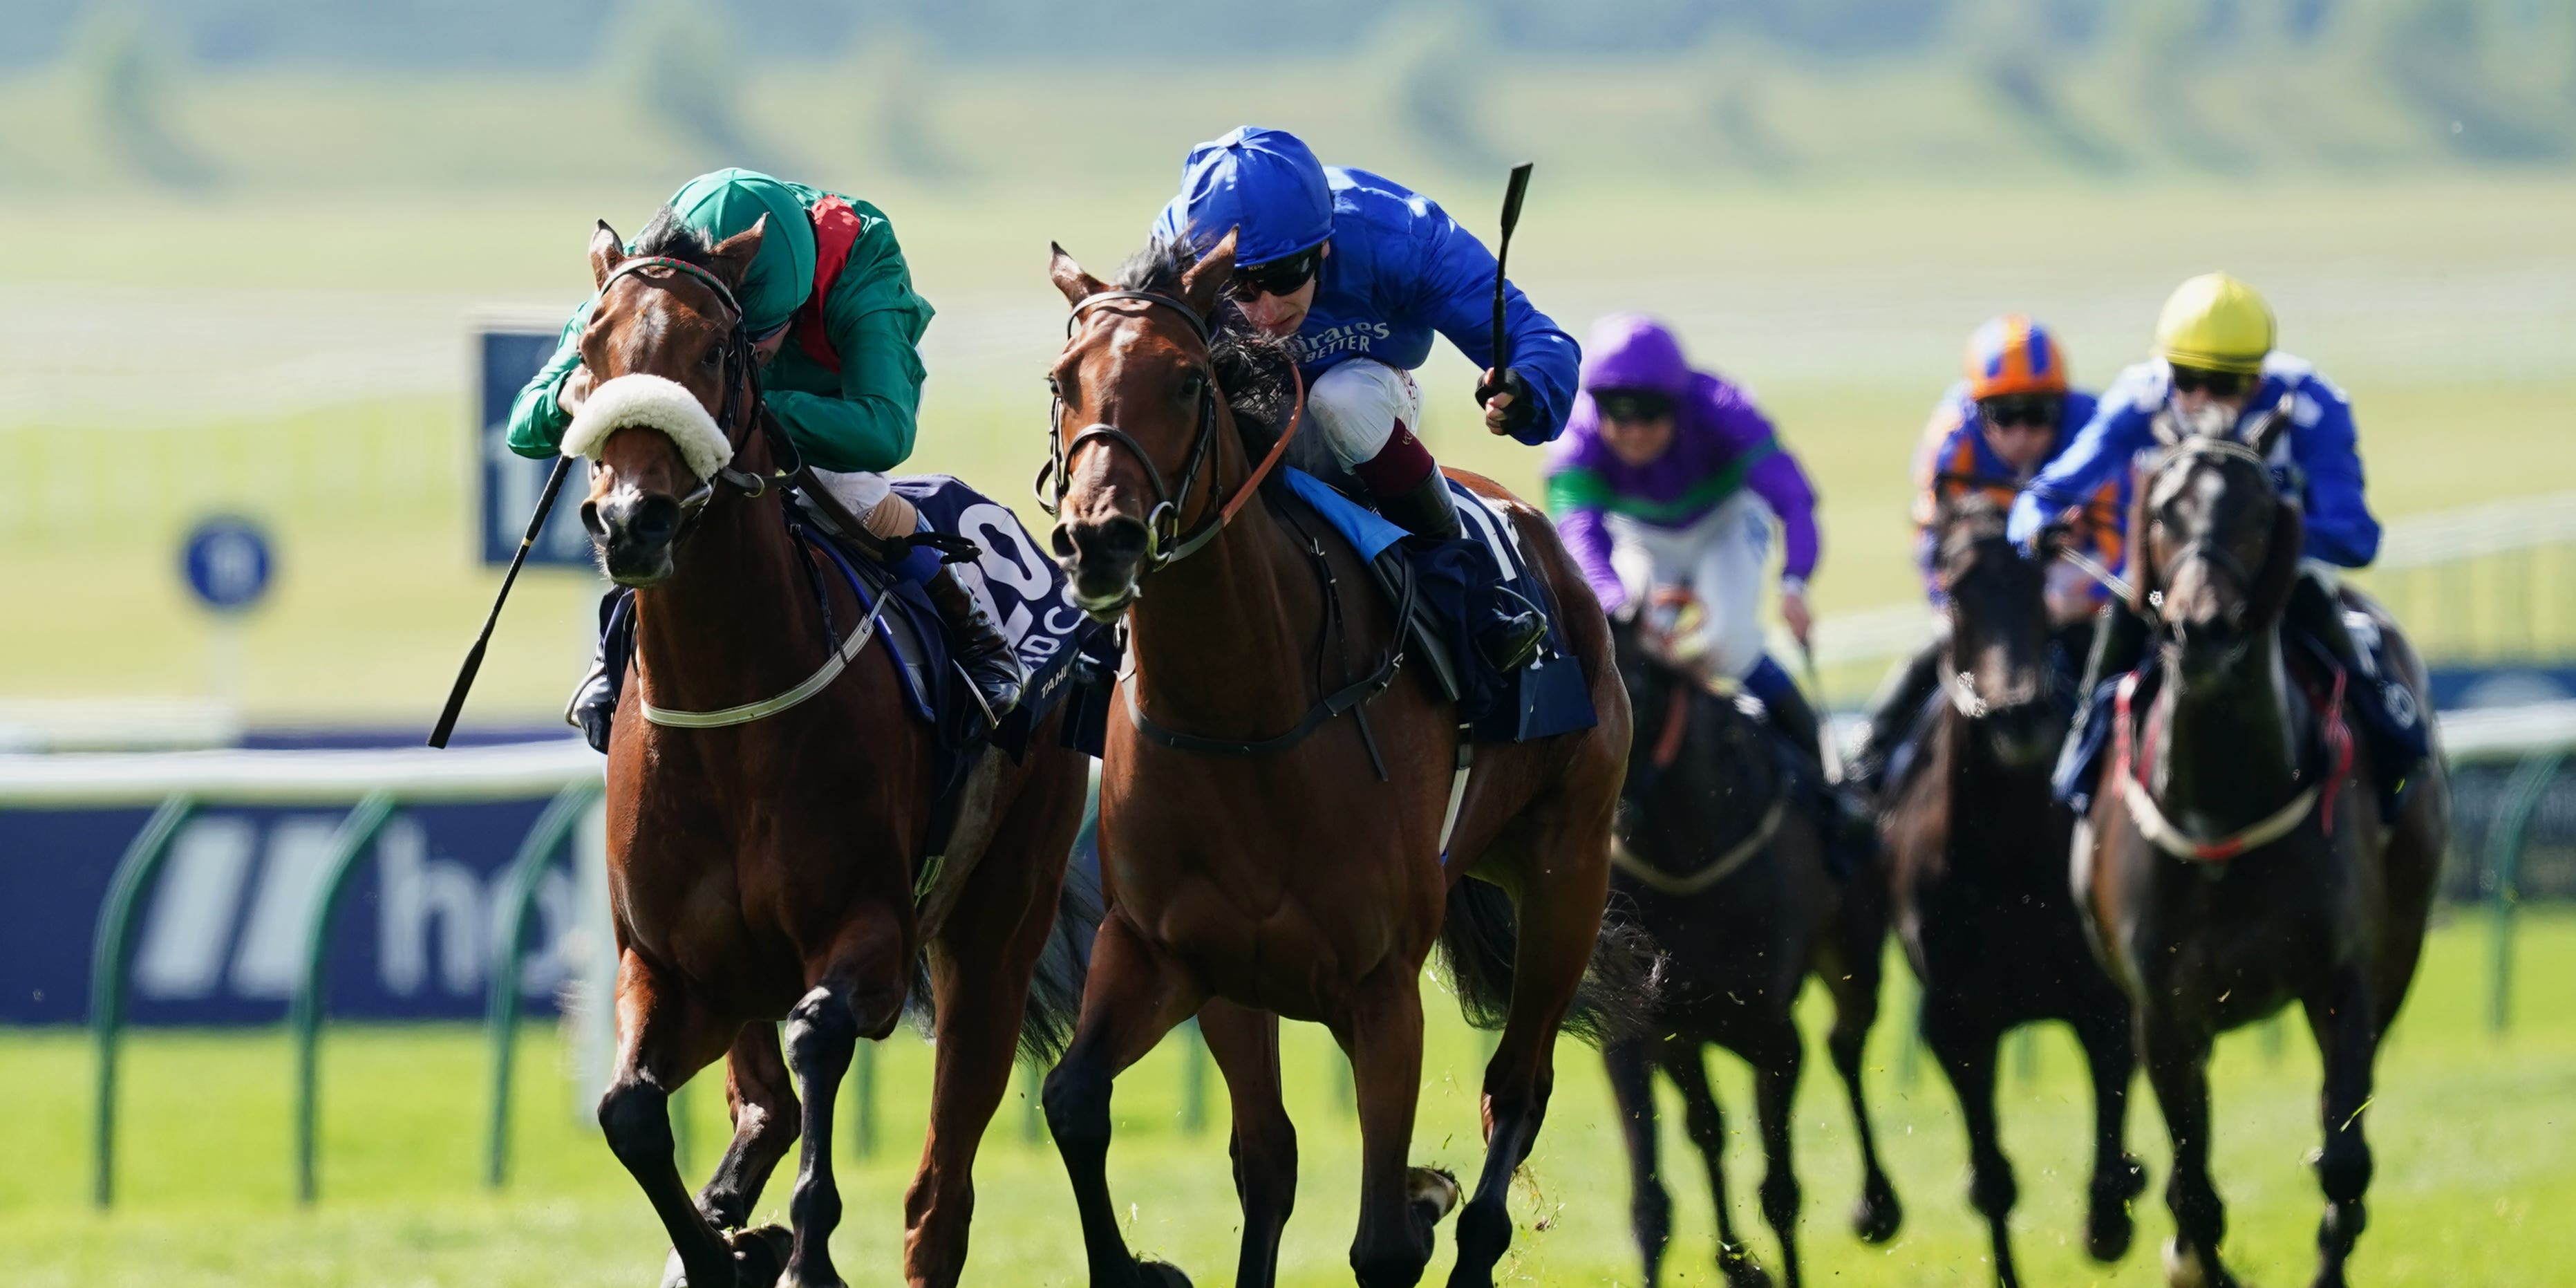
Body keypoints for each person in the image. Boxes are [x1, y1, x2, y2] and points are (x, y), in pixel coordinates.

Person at [507, 169, 1024, 748]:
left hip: (825, 427)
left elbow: (887, 430)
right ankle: (617, 645)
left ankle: (973, 631)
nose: (749, 354)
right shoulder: (656, 273)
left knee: (850, 492)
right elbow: (522, 428)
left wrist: (741, 404)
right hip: (700, 420)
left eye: (760, 338)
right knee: (647, 473)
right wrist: (568, 395)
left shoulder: (861, 254)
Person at [1152, 126, 1581, 668]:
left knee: (1342, 398)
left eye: (1283, 277)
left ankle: (1463, 587)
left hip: (1368, 400)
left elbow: (1537, 337)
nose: (1261, 315)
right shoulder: (1176, 254)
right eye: (1236, 287)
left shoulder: (1398, 234)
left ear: (1324, 246)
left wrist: (1527, 385)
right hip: (1248, 412)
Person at [2006, 271, 2423, 801]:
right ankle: (2082, 765)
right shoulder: (2140, 398)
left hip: (2279, 583)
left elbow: (2355, 537)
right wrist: (2034, 529)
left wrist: (2262, 538)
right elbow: (2037, 498)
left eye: (2224, 383)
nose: (2201, 398)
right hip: (2165, 591)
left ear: (2257, 376)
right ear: (2166, 370)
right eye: (2185, 378)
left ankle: (2393, 748)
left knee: (2321, 610)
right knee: (2123, 617)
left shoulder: (2312, 405)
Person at [1543, 312, 1842, 788]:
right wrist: (1617, 605)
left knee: (1729, 642)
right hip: (1641, 534)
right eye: (1616, 412)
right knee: (1621, 648)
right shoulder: (1577, 438)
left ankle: (1825, 781)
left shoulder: (1724, 409)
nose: (1633, 429)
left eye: (1649, 412)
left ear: (1678, 403)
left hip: (1725, 522)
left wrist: (1794, 581)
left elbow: (1793, 496)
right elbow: (1577, 533)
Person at [1846, 315, 2117, 791]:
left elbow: (2121, 549)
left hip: (2071, 590)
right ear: (1976, 409)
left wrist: (2077, 595)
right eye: (2002, 415)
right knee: (1935, 652)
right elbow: (1930, 542)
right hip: (1991, 592)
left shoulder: (2096, 431)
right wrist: (1945, 606)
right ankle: (1865, 764)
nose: (2020, 435)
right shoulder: (1950, 440)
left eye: (2037, 414)